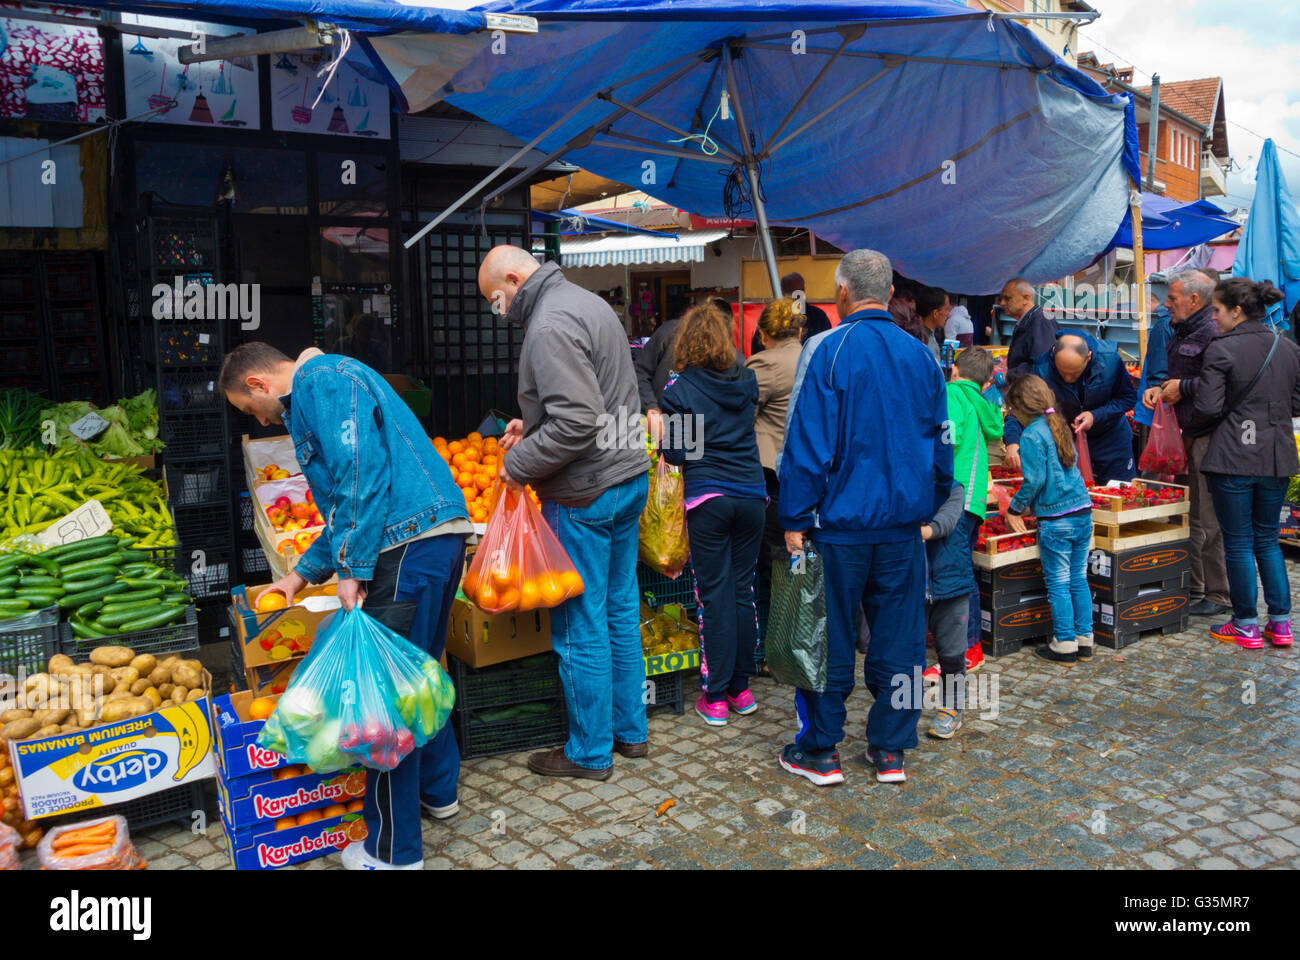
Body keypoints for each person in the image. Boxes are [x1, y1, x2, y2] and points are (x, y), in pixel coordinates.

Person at [219, 342, 471, 870]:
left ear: (259, 385)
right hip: (431, 539)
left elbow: (360, 475)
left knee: (383, 704)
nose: (261, 421)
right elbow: (345, 502)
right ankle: (438, 792)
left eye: (250, 410)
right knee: (416, 674)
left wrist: (353, 570)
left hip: (402, 547)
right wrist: (300, 576)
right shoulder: (334, 379)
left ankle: (392, 853)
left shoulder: (318, 383)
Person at [779, 249, 953, 786]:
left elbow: (805, 443)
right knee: (900, 641)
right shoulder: (921, 354)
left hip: (839, 528)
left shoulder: (826, 349)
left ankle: (822, 750)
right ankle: (890, 750)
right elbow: (942, 444)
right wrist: (929, 502)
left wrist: (793, 516)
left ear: (844, 293)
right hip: (902, 527)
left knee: (826, 638)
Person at [477, 245, 650, 780]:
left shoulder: (548, 324)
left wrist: (518, 465)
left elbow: (577, 422)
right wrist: (532, 424)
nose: (497, 310)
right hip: (627, 477)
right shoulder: (586, 302)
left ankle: (589, 752)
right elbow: (592, 399)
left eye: (496, 299)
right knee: (619, 607)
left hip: (585, 492)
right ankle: (631, 732)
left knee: (579, 622)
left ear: (512, 276)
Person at [659, 303, 767, 723]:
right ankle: (742, 689)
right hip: (753, 495)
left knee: (714, 595)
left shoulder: (680, 390)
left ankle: (716, 695)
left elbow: (678, 453)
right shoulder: (746, 380)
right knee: (742, 591)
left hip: (710, 499)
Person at [1180, 279, 1299, 649]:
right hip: (1275, 455)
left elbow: (1208, 407)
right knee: (1267, 540)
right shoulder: (1288, 346)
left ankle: (1246, 623)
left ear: (1236, 310)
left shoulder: (1222, 348)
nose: (1212, 318)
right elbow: (1296, 404)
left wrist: (1196, 426)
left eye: (1216, 311)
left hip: (1234, 454)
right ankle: (1279, 624)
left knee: (1239, 542)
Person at [1141, 269, 1231, 617]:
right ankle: (1194, 585)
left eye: (1173, 298)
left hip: (1207, 435)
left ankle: (1219, 592)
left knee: (1207, 517)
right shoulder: (1181, 329)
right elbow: (1174, 375)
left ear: (1195, 300)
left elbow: (1216, 387)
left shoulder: (1214, 333)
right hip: (1184, 432)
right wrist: (1159, 386)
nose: (1166, 304)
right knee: (1186, 512)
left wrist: (1183, 387)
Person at [922, 347, 1002, 686]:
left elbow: (948, 438)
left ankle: (967, 649)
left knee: (956, 576)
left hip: (954, 497)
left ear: (954, 369)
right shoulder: (982, 402)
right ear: (985, 383)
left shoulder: (953, 393)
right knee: (959, 570)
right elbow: (994, 432)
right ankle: (961, 643)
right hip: (974, 501)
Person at [1003, 375, 1096, 665]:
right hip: (1082, 512)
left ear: (1020, 407)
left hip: (1057, 519)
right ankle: (1085, 639)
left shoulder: (1031, 435)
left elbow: (1034, 480)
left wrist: (1015, 509)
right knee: (1078, 579)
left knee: (1057, 583)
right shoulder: (1058, 427)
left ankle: (1065, 642)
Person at [744, 298, 804, 667]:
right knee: (799, 560)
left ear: (764, 334)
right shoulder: (815, 354)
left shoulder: (764, 364)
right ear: (799, 331)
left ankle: (777, 650)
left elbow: (741, 414)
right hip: (811, 475)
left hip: (774, 478)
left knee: (776, 563)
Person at [1003, 332, 1137, 484]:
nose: (1067, 379)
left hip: (1111, 443)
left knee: (1121, 495)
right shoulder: (1042, 368)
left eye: (1074, 374)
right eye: (1062, 372)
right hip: (1067, 446)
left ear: (1088, 357)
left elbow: (1127, 398)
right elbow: (1021, 408)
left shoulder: (1110, 360)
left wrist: (1095, 416)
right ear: (1054, 354)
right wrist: (1012, 442)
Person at [637, 298, 742, 440]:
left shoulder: (735, 361)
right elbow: (640, 371)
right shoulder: (669, 332)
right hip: (656, 428)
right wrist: (652, 408)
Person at [921, 481, 971, 739]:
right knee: (907, 654)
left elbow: (947, 521)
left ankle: (952, 708)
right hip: (913, 587)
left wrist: (919, 531)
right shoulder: (899, 482)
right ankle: (903, 709)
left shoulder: (953, 487)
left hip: (952, 583)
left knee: (952, 655)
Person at [1132, 290, 1173, 455]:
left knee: (1156, 464)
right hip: (1158, 408)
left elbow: (1158, 372)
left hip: (1156, 410)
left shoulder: (1164, 325)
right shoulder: (1168, 323)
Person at [751, 274, 831, 356]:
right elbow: (757, 349)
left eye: (801, 291)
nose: (798, 296)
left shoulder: (818, 317)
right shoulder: (772, 317)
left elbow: (828, 346)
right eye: (793, 292)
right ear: (783, 293)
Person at [999, 278, 1058, 379]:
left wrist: (1009, 376)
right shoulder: (1031, 320)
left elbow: (1042, 367)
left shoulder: (1041, 321)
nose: (1002, 303)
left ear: (1026, 298)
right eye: (1001, 299)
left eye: (1007, 298)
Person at [915, 285, 952, 361]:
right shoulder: (923, 339)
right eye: (946, 309)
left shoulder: (928, 335)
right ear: (935, 313)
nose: (948, 313)